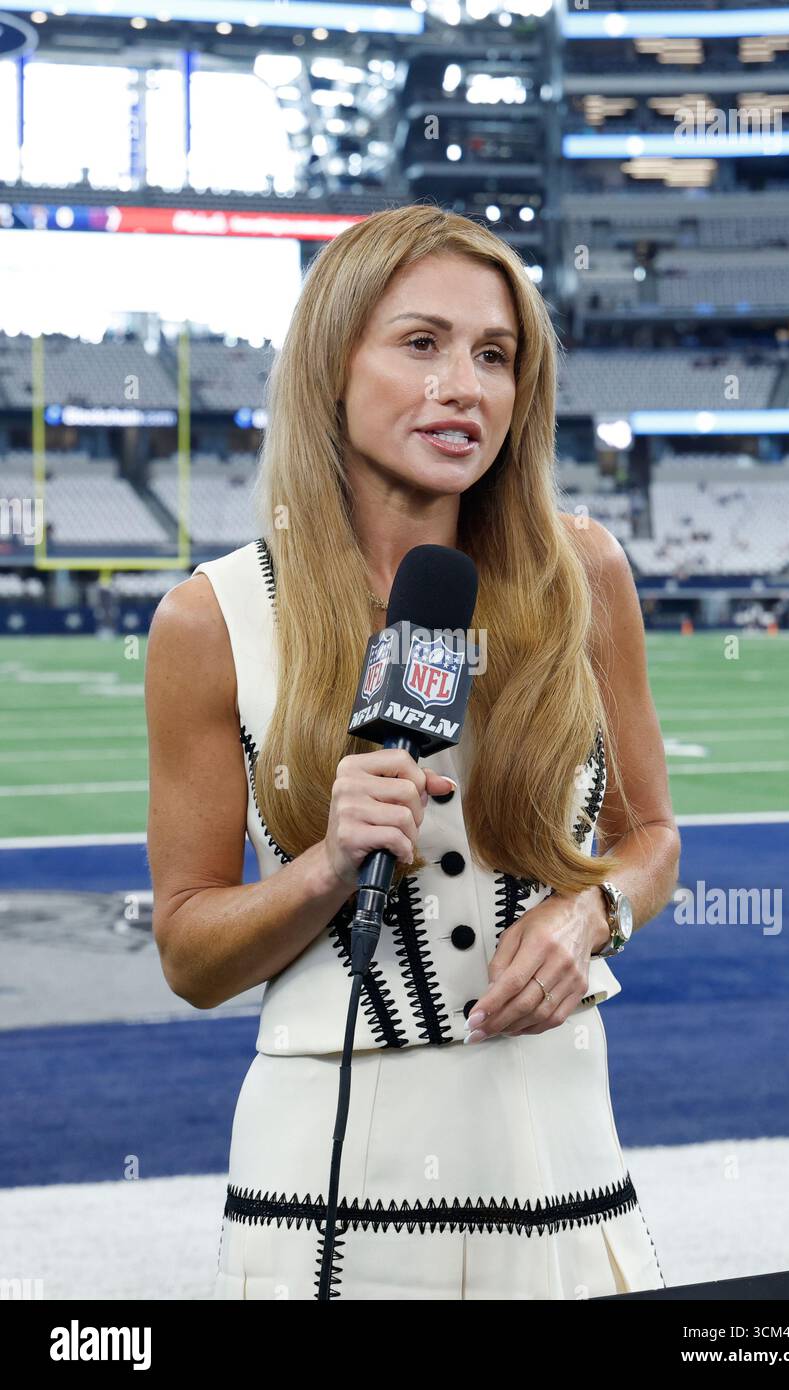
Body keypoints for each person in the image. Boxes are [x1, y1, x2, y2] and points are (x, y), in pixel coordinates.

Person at [144, 204, 680, 1301]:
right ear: (331, 368)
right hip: (326, 1184)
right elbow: (190, 953)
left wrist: (590, 914)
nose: (464, 385)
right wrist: (325, 864)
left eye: (495, 355)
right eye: (421, 343)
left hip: (559, 1152)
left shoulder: (586, 574)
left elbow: (648, 838)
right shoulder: (210, 620)